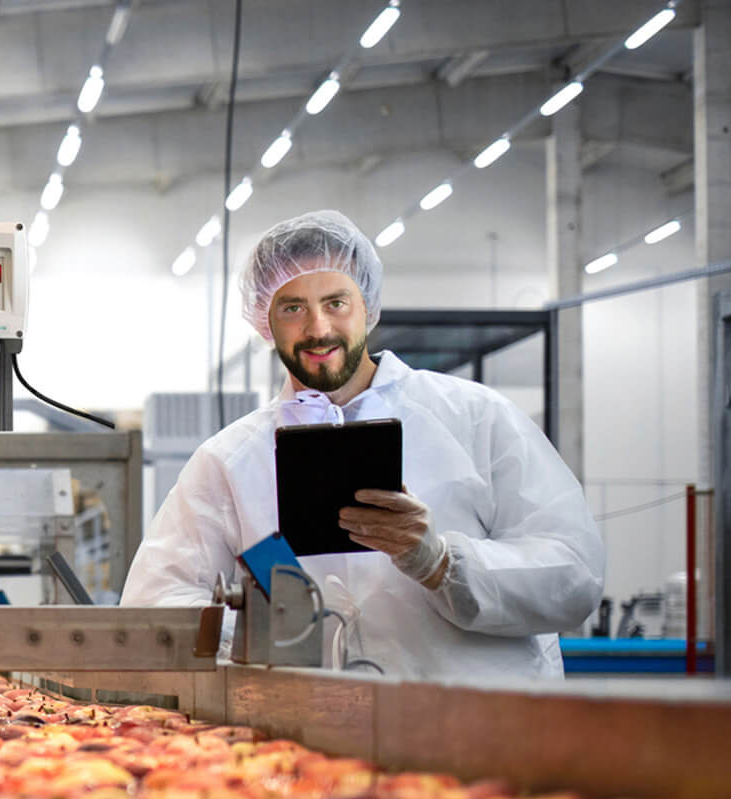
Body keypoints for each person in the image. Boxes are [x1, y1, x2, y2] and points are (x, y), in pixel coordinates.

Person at [121, 210, 604, 679]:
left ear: (368, 307)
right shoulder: (230, 460)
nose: (318, 329)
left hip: (482, 722)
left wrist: (442, 563)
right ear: (264, 322)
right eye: (293, 308)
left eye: (336, 303)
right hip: (311, 728)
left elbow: (574, 576)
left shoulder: (475, 417)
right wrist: (255, 633)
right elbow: (154, 603)